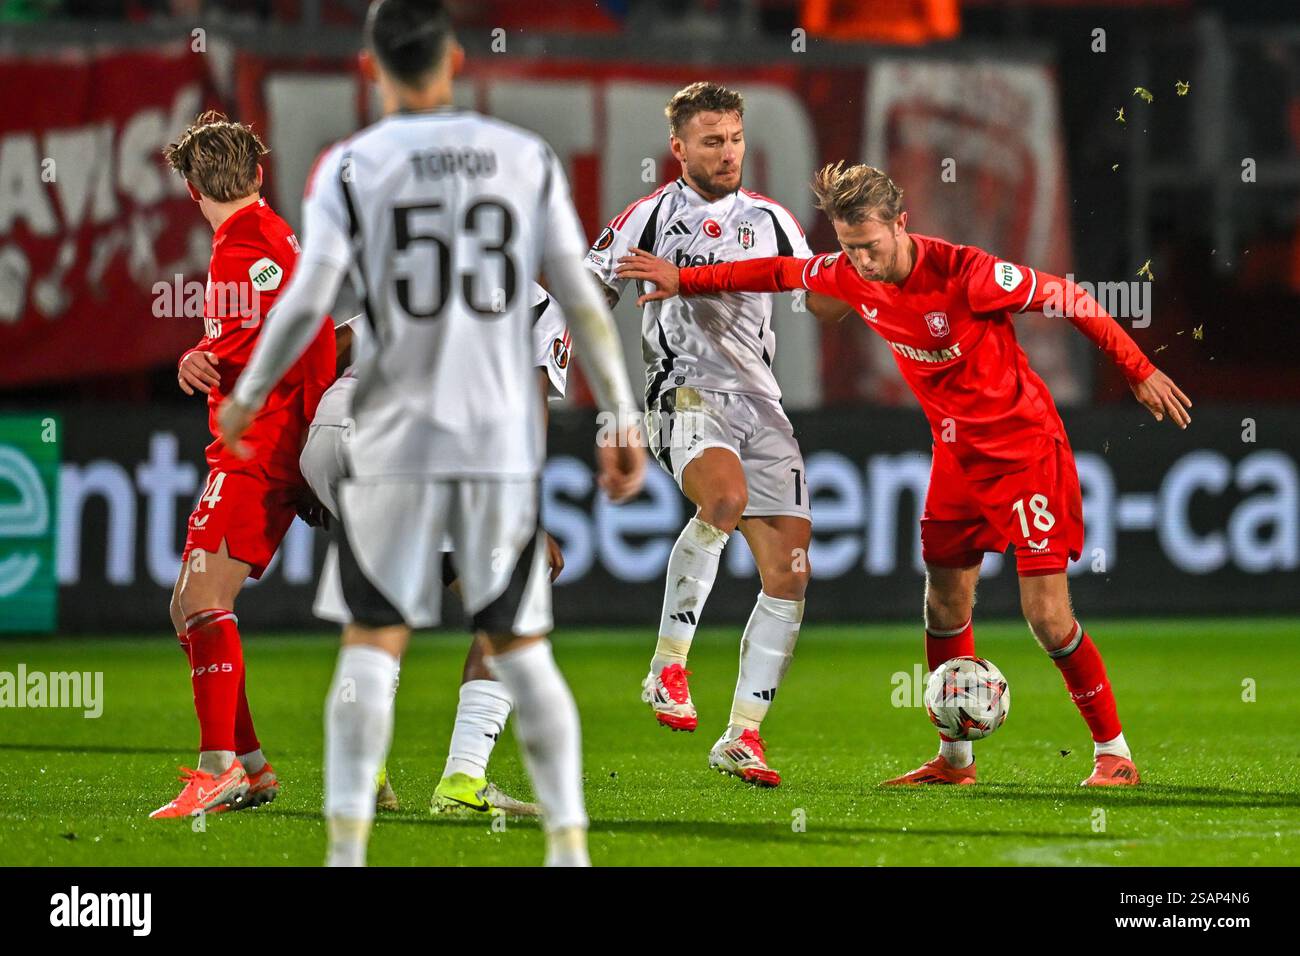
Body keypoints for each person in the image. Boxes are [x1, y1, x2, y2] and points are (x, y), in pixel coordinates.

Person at [218, 0, 645, 865]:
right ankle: (558, 842)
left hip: (365, 429)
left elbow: (311, 307)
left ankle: (348, 847)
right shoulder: (520, 159)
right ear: (455, 56)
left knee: (372, 641)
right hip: (470, 437)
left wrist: (249, 392)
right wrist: (624, 415)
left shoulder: (349, 165)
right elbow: (577, 295)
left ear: (371, 66)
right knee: (523, 636)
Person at [616, 161, 1193, 787]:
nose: (859, 261)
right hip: (957, 459)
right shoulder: (847, 273)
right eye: (847, 246)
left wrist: (1137, 369)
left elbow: (1071, 297)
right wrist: (686, 279)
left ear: (901, 223)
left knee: (1047, 615)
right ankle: (954, 761)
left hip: (1025, 451)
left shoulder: (967, 274)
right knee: (943, 606)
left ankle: (1114, 752)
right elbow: (776, 271)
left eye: (870, 245)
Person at [584, 81, 850, 788]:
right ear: (678, 149)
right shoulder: (646, 217)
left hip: (761, 404)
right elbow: (586, 296)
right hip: (685, 390)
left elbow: (820, 303)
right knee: (724, 500)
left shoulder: (771, 219)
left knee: (791, 573)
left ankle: (743, 735)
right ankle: (668, 662)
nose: (727, 153)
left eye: (733, 138)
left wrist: (857, 268)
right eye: (711, 141)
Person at [299, 284, 571, 817]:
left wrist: (303, 463)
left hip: (333, 426)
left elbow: (328, 350)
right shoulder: (537, 304)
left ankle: (365, 772)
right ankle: (463, 781)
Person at [153, 110, 335, 819]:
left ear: (193, 188)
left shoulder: (246, 244)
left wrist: (205, 358)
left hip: (258, 447)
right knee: (188, 605)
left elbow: (273, 338)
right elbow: (309, 332)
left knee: (202, 600)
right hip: (277, 442)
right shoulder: (272, 235)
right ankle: (252, 768)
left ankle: (218, 767)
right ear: (258, 172)